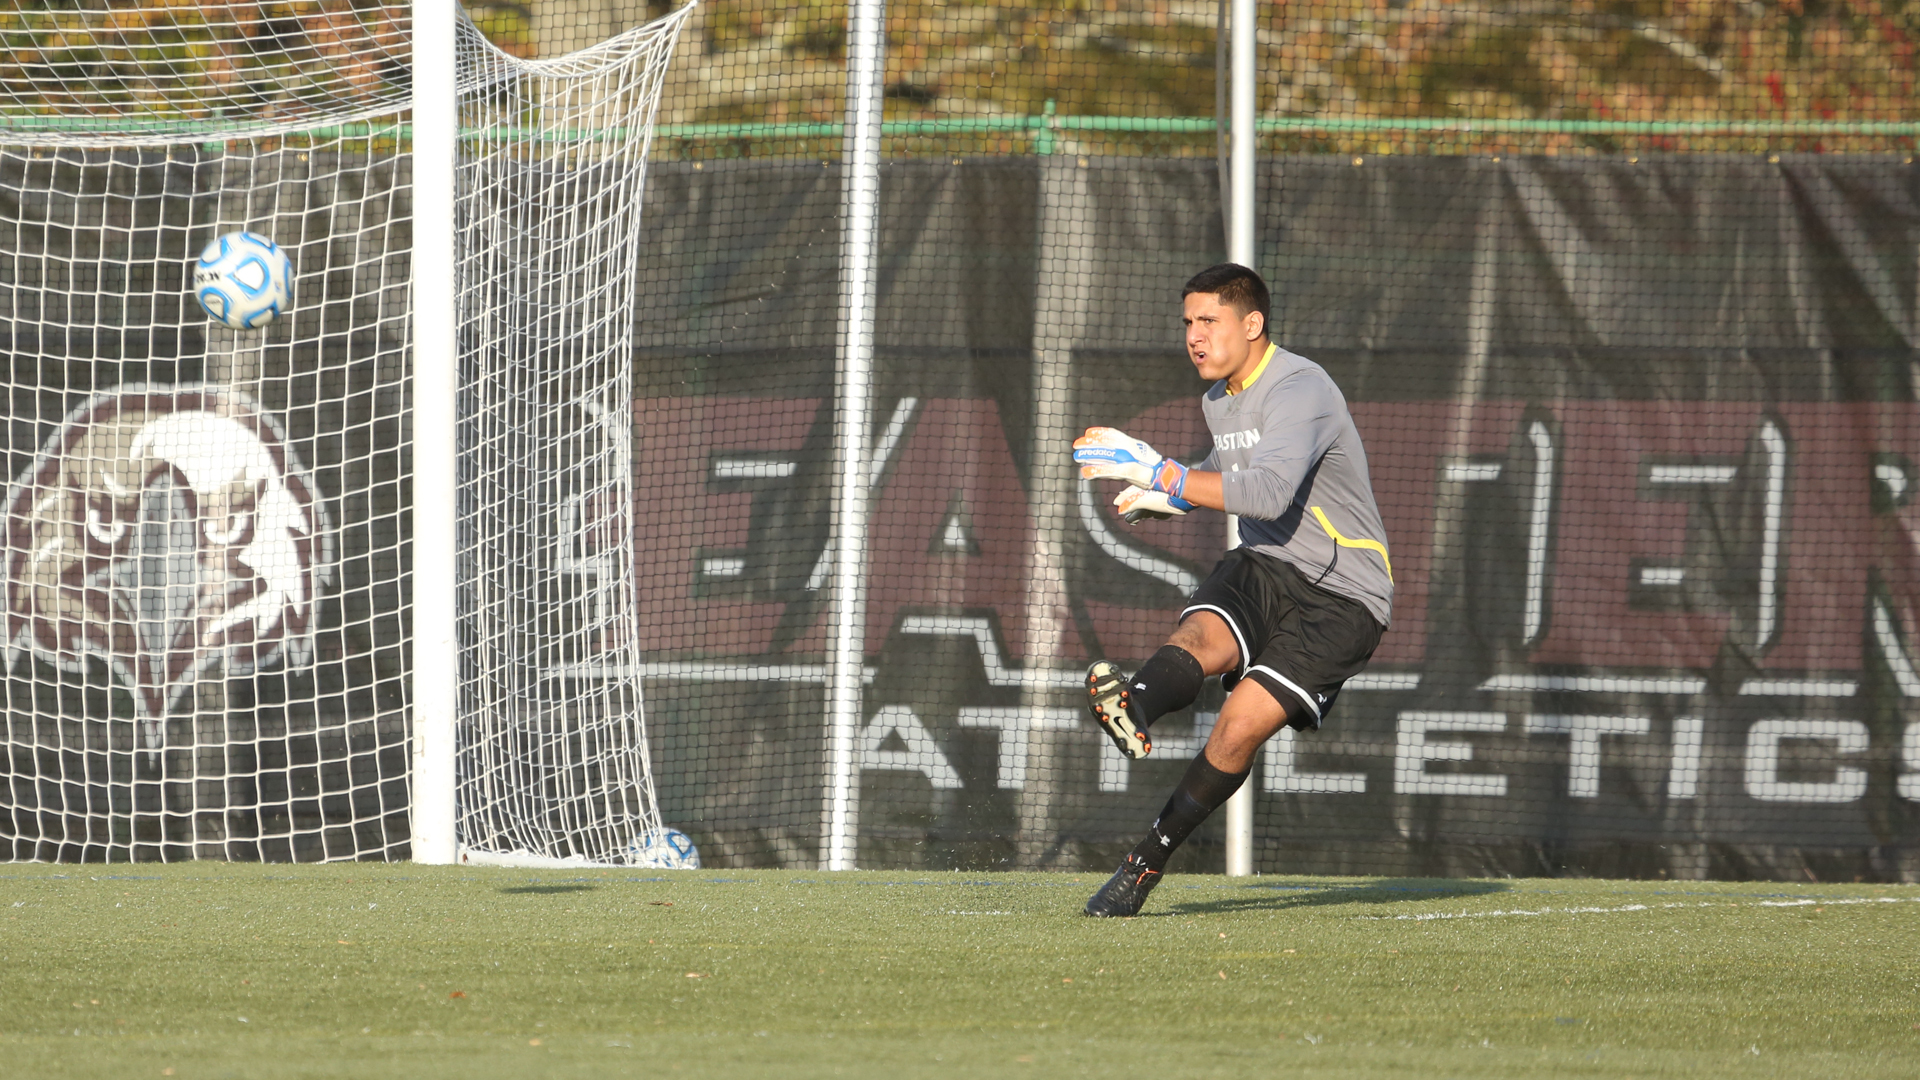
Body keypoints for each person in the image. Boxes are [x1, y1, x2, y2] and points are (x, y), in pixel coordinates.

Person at [1071, 262, 1393, 917]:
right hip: (1267, 563)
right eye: (1188, 322)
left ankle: (1143, 865)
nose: (1195, 335)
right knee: (1196, 636)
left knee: (1236, 730)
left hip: (1344, 595)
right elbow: (1230, 466)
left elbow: (1268, 492)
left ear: (1252, 325)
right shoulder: (1218, 399)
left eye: (1209, 320)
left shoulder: (1301, 386)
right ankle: (1134, 706)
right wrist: (1173, 495)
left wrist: (1162, 472)